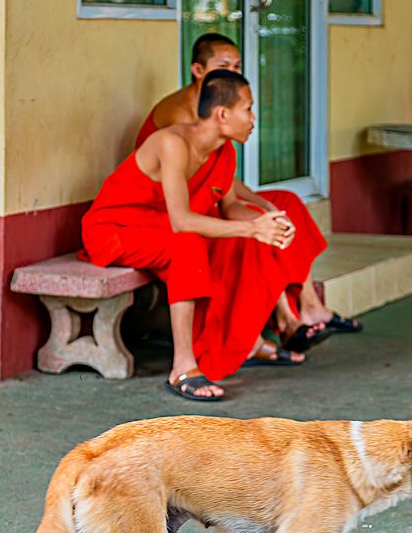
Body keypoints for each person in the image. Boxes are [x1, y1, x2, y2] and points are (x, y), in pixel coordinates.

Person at [81, 70, 303, 401]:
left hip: (159, 231)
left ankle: (242, 341)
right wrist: (252, 228)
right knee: (188, 244)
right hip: (116, 232)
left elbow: (230, 209)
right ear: (223, 114)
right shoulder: (172, 143)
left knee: (241, 244)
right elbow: (182, 222)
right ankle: (182, 367)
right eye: (249, 108)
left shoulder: (224, 151)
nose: (253, 118)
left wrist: (265, 222)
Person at [135, 32, 362, 352]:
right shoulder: (182, 115)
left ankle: (310, 305)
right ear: (198, 71)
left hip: (208, 198)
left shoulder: (221, 108)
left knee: (287, 204)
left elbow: (221, 175)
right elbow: (197, 187)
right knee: (254, 228)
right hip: (172, 207)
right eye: (223, 65)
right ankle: (286, 319)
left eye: (237, 65)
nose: (234, 71)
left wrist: (263, 202)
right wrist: (256, 213)